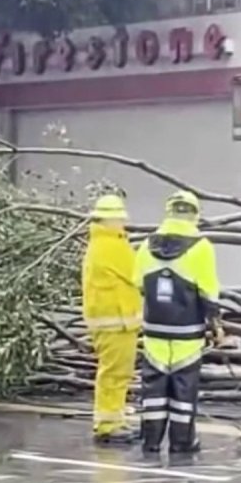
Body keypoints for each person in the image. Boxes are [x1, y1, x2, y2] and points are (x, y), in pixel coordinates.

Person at [135, 190, 223, 456]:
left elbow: (138, 283)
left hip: (155, 329)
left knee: (154, 387)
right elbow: (208, 291)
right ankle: (181, 442)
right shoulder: (201, 246)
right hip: (187, 330)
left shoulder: (146, 244)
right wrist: (215, 323)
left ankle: (151, 441)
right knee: (183, 388)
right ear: (195, 214)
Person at [82, 190, 142, 445]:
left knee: (117, 374)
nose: (123, 223)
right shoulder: (110, 245)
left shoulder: (103, 243)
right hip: (115, 322)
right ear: (108, 220)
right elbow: (137, 273)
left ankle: (114, 420)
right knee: (114, 374)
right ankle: (108, 424)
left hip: (115, 322)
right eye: (119, 218)